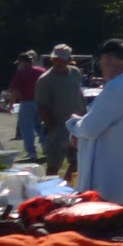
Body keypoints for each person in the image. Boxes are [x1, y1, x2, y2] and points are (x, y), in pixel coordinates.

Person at [67, 38, 123, 204]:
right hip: (120, 173)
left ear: (107, 59)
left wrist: (74, 124)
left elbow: (90, 128)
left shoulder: (115, 89)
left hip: (103, 179)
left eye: (100, 63)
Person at [35, 43, 85, 181]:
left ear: (69, 60)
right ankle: (49, 191)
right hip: (57, 127)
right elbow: (41, 105)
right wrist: (50, 126)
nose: (58, 62)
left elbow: (79, 94)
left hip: (76, 126)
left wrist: (85, 114)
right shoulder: (45, 80)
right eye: (56, 59)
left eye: (62, 59)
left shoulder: (75, 72)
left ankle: (66, 187)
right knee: (53, 165)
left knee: (78, 161)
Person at [7, 50, 45, 160]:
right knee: (40, 125)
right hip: (42, 102)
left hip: (27, 102)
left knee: (27, 128)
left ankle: (31, 152)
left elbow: (14, 91)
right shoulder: (42, 71)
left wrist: (10, 105)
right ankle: (46, 146)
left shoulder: (21, 73)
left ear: (23, 62)